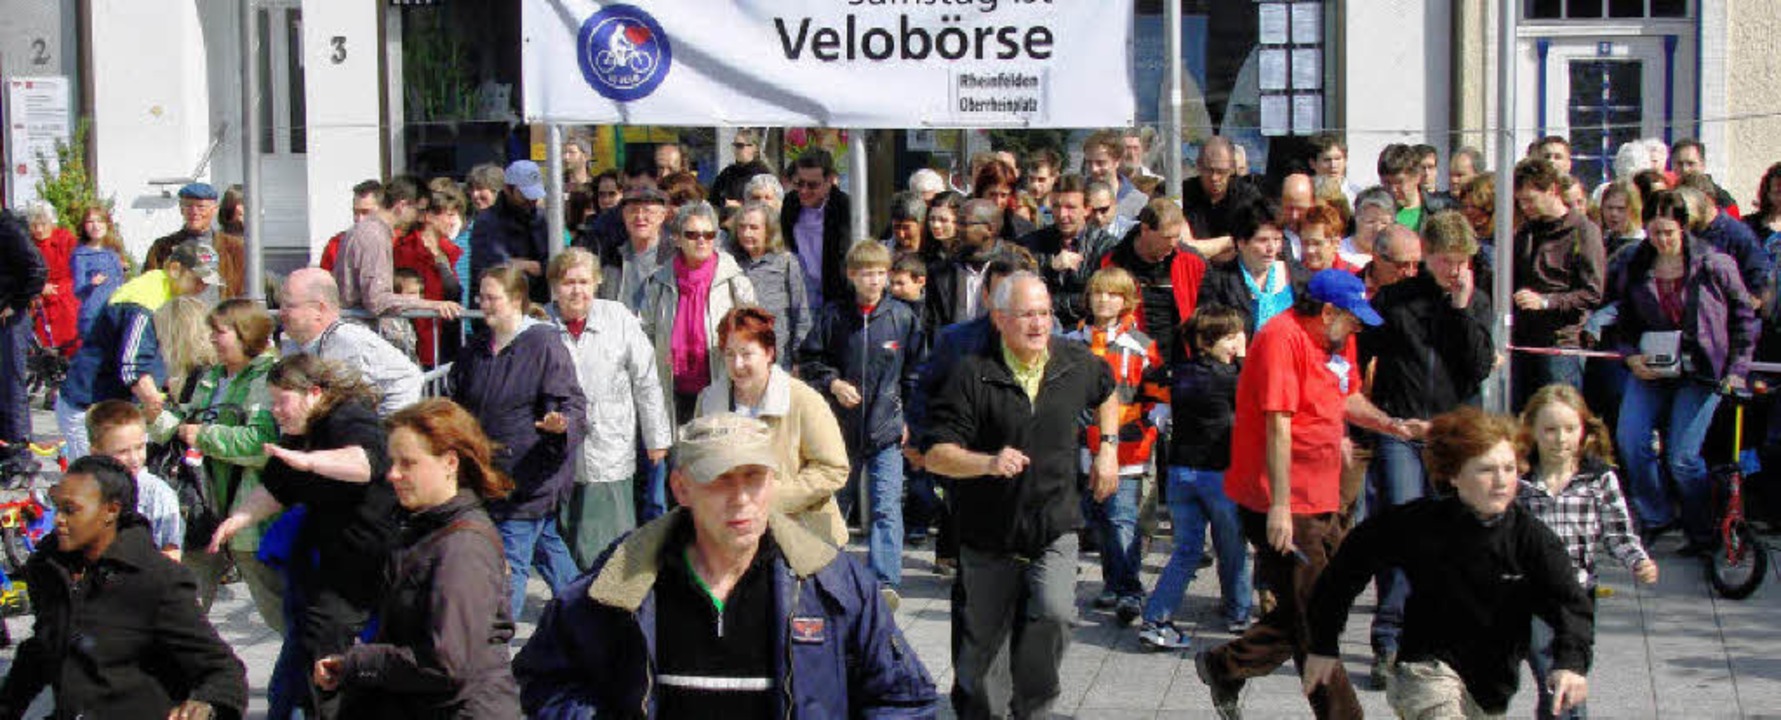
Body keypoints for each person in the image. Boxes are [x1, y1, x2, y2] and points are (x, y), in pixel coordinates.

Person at [514, 413, 939, 717]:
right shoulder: (621, 580)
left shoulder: (832, 583)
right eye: (720, 479)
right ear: (681, 488)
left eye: (754, 477)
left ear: (774, 483)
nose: (741, 499)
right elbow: (544, 679)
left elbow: (903, 699)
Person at [1194, 270, 1423, 720]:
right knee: (1315, 619)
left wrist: (1393, 425)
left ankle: (1225, 665)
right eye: (1353, 319)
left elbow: (1347, 396)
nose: (1358, 328)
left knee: (1314, 607)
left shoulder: (1338, 341)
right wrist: (1279, 507)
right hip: (1277, 497)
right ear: (1328, 311)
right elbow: (1278, 424)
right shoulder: (1281, 338)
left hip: (1323, 494)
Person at [1301, 408, 1594, 720]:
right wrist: (1323, 644)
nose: (1501, 481)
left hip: (1490, 684)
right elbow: (1346, 569)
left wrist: (1571, 664)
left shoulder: (1531, 538)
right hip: (1425, 669)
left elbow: (1571, 605)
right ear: (1454, 475)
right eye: (1486, 470)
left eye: (1509, 469)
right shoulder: (1420, 524)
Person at [924, 273, 1120, 719]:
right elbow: (936, 454)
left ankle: (1034, 707)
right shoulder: (972, 374)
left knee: (1055, 614)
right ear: (999, 319)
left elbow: (1107, 390)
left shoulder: (1074, 362)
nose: (1038, 324)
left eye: (1045, 313)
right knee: (984, 648)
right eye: (1027, 315)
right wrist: (987, 463)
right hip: (987, 529)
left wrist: (1106, 448)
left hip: (1055, 521)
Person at [208, 354, 402, 718]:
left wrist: (312, 462)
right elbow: (275, 488)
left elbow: (364, 464)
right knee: (303, 650)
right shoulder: (297, 435)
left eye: (282, 400)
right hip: (325, 564)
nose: (276, 411)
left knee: (330, 657)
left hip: (370, 563)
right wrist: (237, 521)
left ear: (314, 393)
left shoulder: (349, 417)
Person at [311, 399, 521, 717]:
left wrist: (360, 661)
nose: (392, 474)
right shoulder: (422, 526)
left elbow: (447, 663)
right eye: (392, 462)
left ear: (450, 463)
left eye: (407, 463)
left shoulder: (462, 548)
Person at [0, 455, 247, 719]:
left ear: (110, 511)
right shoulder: (49, 569)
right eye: (57, 506)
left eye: (71, 509)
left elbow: (223, 670)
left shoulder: (156, 579)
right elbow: (44, 645)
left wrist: (206, 707)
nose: (58, 519)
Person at [1611, 190, 1756, 554]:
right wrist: (1629, 357)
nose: (1662, 241)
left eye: (1669, 233)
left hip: (1702, 370)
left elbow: (1744, 318)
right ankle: (1658, 515)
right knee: (1631, 440)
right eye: (1655, 232)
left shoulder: (1714, 263)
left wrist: (1737, 370)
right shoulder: (1636, 264)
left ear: (1684, 228)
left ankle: (1702, 528)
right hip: (1654, 368)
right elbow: (1622, 322)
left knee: (1683, 458)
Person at [451, 265, 587, 619]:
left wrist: (562, 426)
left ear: (516, 300)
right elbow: (460, 400)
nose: (483, 304)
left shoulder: (543, 343)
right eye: (480, 297)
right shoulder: (477, 348)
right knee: (548, 548)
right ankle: (586, 614)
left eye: (492, 298)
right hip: (490, 473)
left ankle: (494, 641)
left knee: (509, 564)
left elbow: (571, 403)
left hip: (528, 477)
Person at [1517, 384, 1657, 720]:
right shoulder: (1518, 478)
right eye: (1549, 430)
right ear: (1532, 431)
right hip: (1529, 594)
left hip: (1576, 596)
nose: (1560, 439)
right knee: (1551, 676)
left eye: (1569, 430)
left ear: (1584, 431)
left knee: (1566, 676)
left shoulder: (1598, 478)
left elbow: (1618, 532)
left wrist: (1638, 561)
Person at [148, 298, 286, 626]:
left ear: (245, 333)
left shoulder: (267, 378)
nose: (211, 338)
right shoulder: (212, 376)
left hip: (249, 519)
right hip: (202, 510)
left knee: (279, 615)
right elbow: (186, 426)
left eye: (219, 332)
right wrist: (156, 416)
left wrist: (204, 436)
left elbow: (260, 444)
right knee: (184, 612)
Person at [800, 241, 925, 588]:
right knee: (836, 504)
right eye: (867, 273)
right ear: (852, 275)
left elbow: (916, 374)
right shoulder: (834, 316)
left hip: (886, 428)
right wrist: (834, 383)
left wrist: (909, 421)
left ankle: (885, 582)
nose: (874, 280)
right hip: (840, 430)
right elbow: (810, 361)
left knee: (886, 506)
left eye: (881, 273)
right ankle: (828, 573)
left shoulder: (902, 318)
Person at [544, 248, 672, 569]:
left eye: (584, 281)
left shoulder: (618, 318)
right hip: (558, 453)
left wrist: (656, 438)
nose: (577, 290)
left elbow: (646, 380)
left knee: (610, 541)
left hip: (610, 446)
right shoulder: (541, 323)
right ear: (554, 287)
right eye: (568, 282)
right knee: (568, 536)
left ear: (597, 283)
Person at [1138, 305, 1253, 651]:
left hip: (1180, 473)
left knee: (1186, 549)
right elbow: (1254, 390)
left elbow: (1152, 383)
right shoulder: (1231, 376)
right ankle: (1238, 611)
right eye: (1230, 337)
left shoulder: (1178, 372)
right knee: (1232, 546)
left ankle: (1156, 616)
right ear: (1207, 341)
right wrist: (1244, 357)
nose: (1235, 343)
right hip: (1219, 475)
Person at [698, 306, 850, 546]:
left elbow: (833, 469)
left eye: (747, 354)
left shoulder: (803, 399)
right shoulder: (708, 401)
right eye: (729, 354)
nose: (737, 364)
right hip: (732, 535)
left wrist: (769, 498)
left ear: (769, 353)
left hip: (803, 534)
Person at [1065, 267, 1166, 624]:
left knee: (1122, 518)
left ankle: (1129, 591)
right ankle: (1112, 583)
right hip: (1079, 447)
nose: (1104, 300)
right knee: (1097, 519)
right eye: (1098, 293)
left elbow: (1158, 395)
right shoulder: (1071, 342)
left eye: (1113, 294)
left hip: (1127, 448)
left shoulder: (1141, 344)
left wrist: (1149, 427)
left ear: (1127, 301)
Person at [59, 241, 218, 461]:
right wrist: (161, 413)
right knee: (99, 484)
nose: (202, 288)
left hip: (115, 407)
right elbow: (133, 368)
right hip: (90, 405)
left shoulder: (165, 291)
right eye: (197, 280)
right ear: (174, 270)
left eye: (206, 282)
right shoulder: (144, 302)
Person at [642, 201, 758, 424]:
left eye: (709, 233)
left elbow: (752, 334)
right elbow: (646, 331)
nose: (702, 240)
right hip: (672, 389)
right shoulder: (659, 281)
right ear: (677, 238)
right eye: (692, 234)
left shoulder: (735, 281)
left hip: (721, 386)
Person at [1511, 158, 1606, 410]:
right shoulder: (1526, 232)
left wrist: (1546, 302)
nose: (1524, 206)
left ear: (1552, 190)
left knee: (1560, 414)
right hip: (1524, 340)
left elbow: (1593, 293)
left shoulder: (1584, 231)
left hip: (1561, 343)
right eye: (1520, 200)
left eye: (1530, 199)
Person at [334, 175, 463, 350]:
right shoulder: (374, 235)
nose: (420, 218)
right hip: (360, 335)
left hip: (356, 333)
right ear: (402, 205)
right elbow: (377, 300)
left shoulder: (367, 231)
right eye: (419, 210)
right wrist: (433, 304)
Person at [278, 268, 423, 417]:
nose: (280, 312)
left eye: (289, 305)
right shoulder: (291, 345)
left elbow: (408, 377)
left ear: (318, 309)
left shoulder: (350, 340)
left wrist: (383, 430)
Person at [1098, 198, 1208, 365]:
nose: (1173, 244)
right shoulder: (1112, 262)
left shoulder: (1193, 263)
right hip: (1130, 358)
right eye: (1166, 237)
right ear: (1145, 229)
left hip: (1180, 361)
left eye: (1176, 237)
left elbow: (1208, 310)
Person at [84, 399, 185, 559]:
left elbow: (171, 553)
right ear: (96, 453)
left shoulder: (157, 494)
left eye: (140, 447)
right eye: (122, 451)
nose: (134, 458)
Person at [1199, 199, 1308, 338]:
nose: (1271, 248)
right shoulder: (1220, 283)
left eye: (1277, 239)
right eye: (1262, 240)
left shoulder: (1299, 278)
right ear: (1241, 242)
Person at [1019, 173, 1117, 328]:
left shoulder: (1105, 246)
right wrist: (1049, 268)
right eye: (1057, 207)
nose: (1062, 215)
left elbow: (1100, 301)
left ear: (1086, 209)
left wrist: (1049, 303)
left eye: (1070, 207)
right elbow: (1022, 296)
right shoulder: (1031, 244)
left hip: (1089, 333)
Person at [729, 200, 811, 367]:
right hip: (740, 360)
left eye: (754, 227)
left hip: (778, 360)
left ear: (769, 230)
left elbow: (801, 314)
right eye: (742, 227)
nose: (746, 233)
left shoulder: (786, 263)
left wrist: (798, 360)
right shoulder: (729, 264)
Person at [394, 183, 468, 367]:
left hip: (449, 340)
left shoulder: (448, 252)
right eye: (449, 215)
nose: (454, 221)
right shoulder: (407, 251)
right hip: (421, 343)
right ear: (428, 216)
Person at [471, 160, 553, 305]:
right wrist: (532, 266)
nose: (531, 201)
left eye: (535, 196)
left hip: (538, 303)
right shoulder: (487, 222)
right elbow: (494, 266)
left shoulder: (541, 219)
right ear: (508, 190)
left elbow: (551, 263)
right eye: (524, 195)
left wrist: (526, 265)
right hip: (500, 305)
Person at [0, 214, 46, 468]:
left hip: (10, 320)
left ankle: (19, 457)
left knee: (12, 388)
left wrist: (14, 304)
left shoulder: (8, 228)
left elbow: (37, 269)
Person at [781, 148, 853, 309]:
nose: (804, 191)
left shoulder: (844, 207)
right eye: (799, 184)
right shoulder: (790, 203)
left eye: (812, 185)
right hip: (800, 294)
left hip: (836, 297)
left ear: (829, 181)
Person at [1180, 136, 1259, 260]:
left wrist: (1202, 249)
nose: (1214, 178)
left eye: (1221, 171)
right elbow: (1183, 247)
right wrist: (1228, 242)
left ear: (1232, 168)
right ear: (1198, 165)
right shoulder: (1182, 194)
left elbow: (1250, 244)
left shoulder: (1247, 196)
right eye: (1208, 170)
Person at [23, 201, 80, 357]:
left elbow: (78, 269)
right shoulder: (27, 245)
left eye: (43, 224)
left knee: (71, 342)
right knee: (42, 348)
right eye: (34, 225)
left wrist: (60, 290)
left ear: (51, 223)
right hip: (40, 302)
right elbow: (22, 273)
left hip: (65, 299)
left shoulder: (65, 239)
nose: (39, 229)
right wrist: (39, 286)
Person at [72, 205, 129, 338]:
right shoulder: (81, 255)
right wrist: (91, 283)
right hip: (94, 317)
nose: (95, 226)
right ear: (84, 226)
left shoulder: (113, 253)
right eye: (90, 222)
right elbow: (78, 290)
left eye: (99, 221)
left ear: (107, 224)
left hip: (115, 315)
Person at [144, 182, 219, 271]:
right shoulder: (162, 248)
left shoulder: (231, 248)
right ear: (181, 209)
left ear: (214, 209)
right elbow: (149, 281)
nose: (194, 212)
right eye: (189, 206)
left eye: (201, 207)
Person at [712, 129, 774, 207]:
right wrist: (723, 202)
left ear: (753, 148)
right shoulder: (728, 173)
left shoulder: (763, 174)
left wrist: (739, 205)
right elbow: (713, 198)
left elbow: (768, 204)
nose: (736, 150)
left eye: (740, 146)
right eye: (735, 146)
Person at [1310, 133, 1364, 206]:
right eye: (1327, 160)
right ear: (1313, 164)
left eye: (1338, 159)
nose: (1333, 165)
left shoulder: (1357, 195)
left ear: (1345, 161)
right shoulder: (1303, 192)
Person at [1298, 204, 1353, 273]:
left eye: (1317, 243)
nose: (1309, 250)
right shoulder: (1293, 276)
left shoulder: (1354, 275)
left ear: (1336, 243)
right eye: (1305, 243)